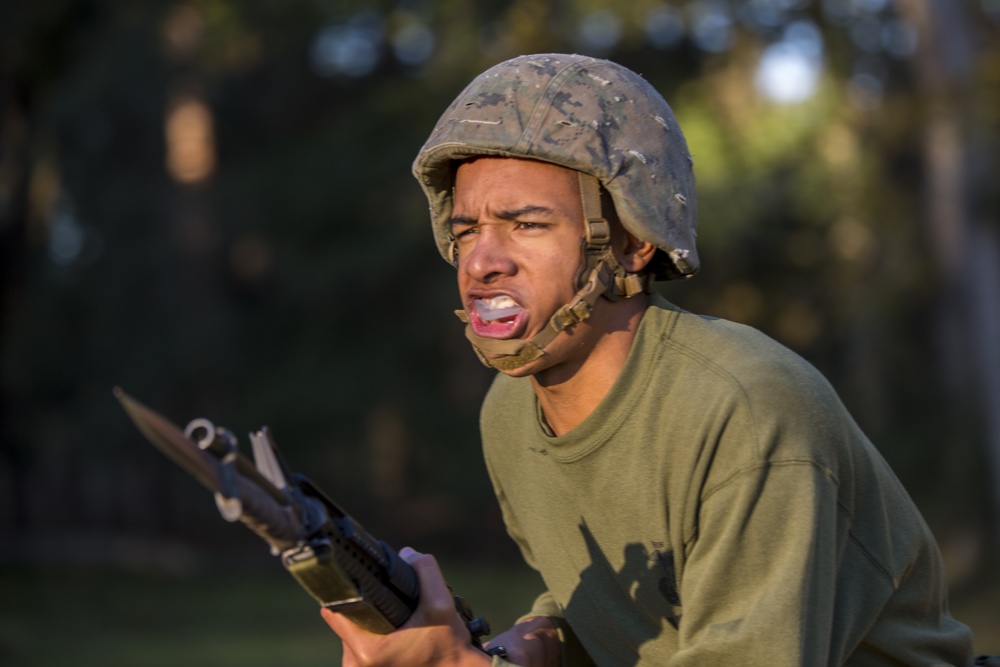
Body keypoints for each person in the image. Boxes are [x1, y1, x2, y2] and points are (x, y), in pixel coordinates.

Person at [322, 53, 975, 666]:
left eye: (526, 224)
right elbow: (620, 606)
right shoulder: (511, 414)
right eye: (467, 230)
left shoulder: (745, 411)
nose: (483, 261)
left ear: (632, 244)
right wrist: (530, 645)